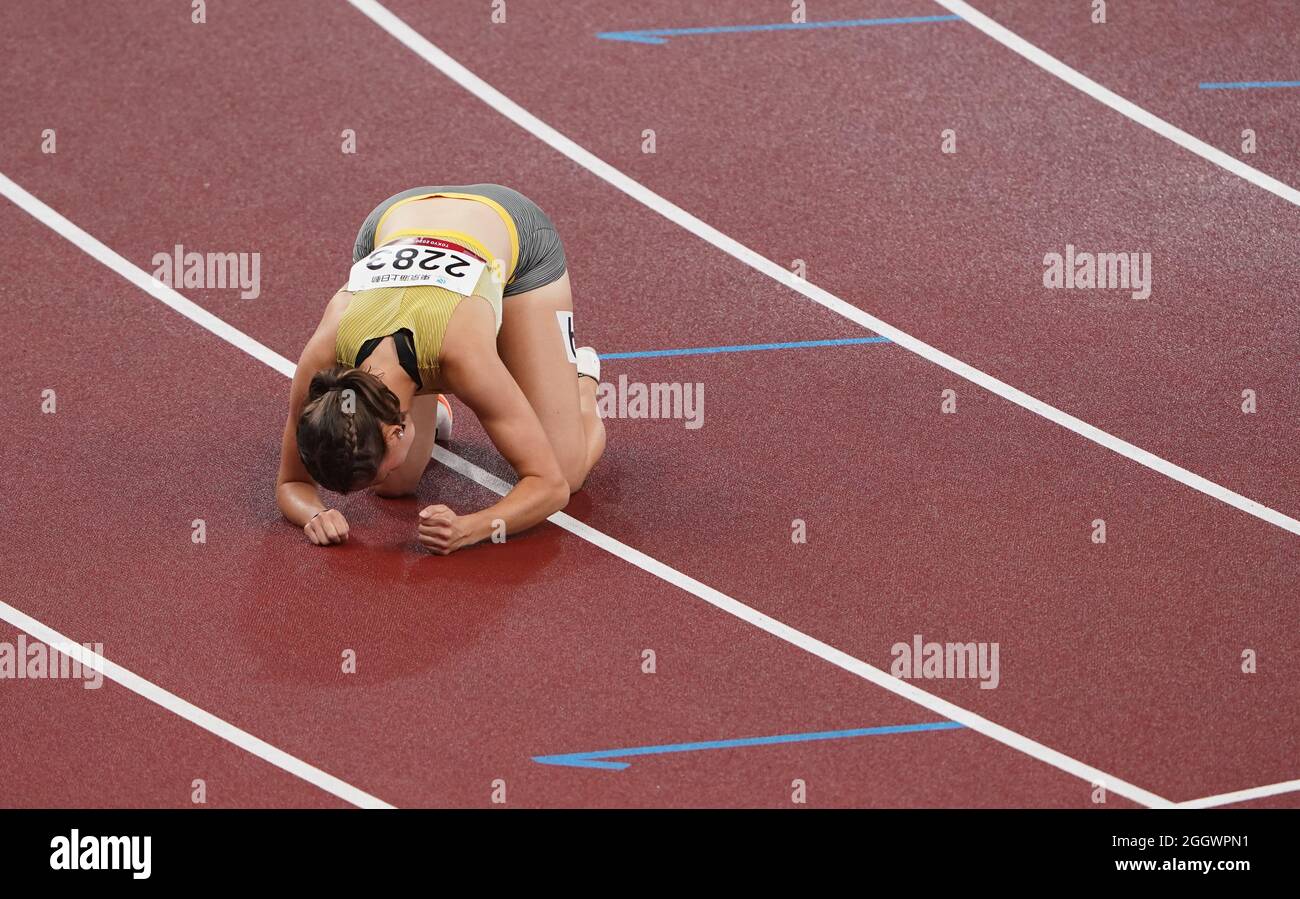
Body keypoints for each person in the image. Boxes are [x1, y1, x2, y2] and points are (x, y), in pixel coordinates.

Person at [275, 184, 605, 554]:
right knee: (394, 486)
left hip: (512, 234)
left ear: (395, 432)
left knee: (567, 468)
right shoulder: (324, 366)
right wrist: (313, 514)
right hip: (394, 222)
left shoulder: (461, 356)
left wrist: (471, 528)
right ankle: (435, 407)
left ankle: (580, 383)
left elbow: (549, 485)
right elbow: (291, 483)